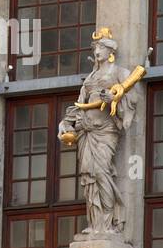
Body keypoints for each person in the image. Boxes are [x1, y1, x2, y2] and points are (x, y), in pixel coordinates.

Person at [58, 29, 141, 236]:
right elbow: (80, 103)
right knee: (89, 175)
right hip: (86, 131)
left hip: (105, 131)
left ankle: (108, 220)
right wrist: (66, 123)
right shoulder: (91, 76)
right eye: (95, 48)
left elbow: (132, 97)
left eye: (101, 47)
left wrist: (114, 99)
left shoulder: (118, 72)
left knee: (101, 171)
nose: (97, 51)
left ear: (110, 51)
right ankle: (95, 223)